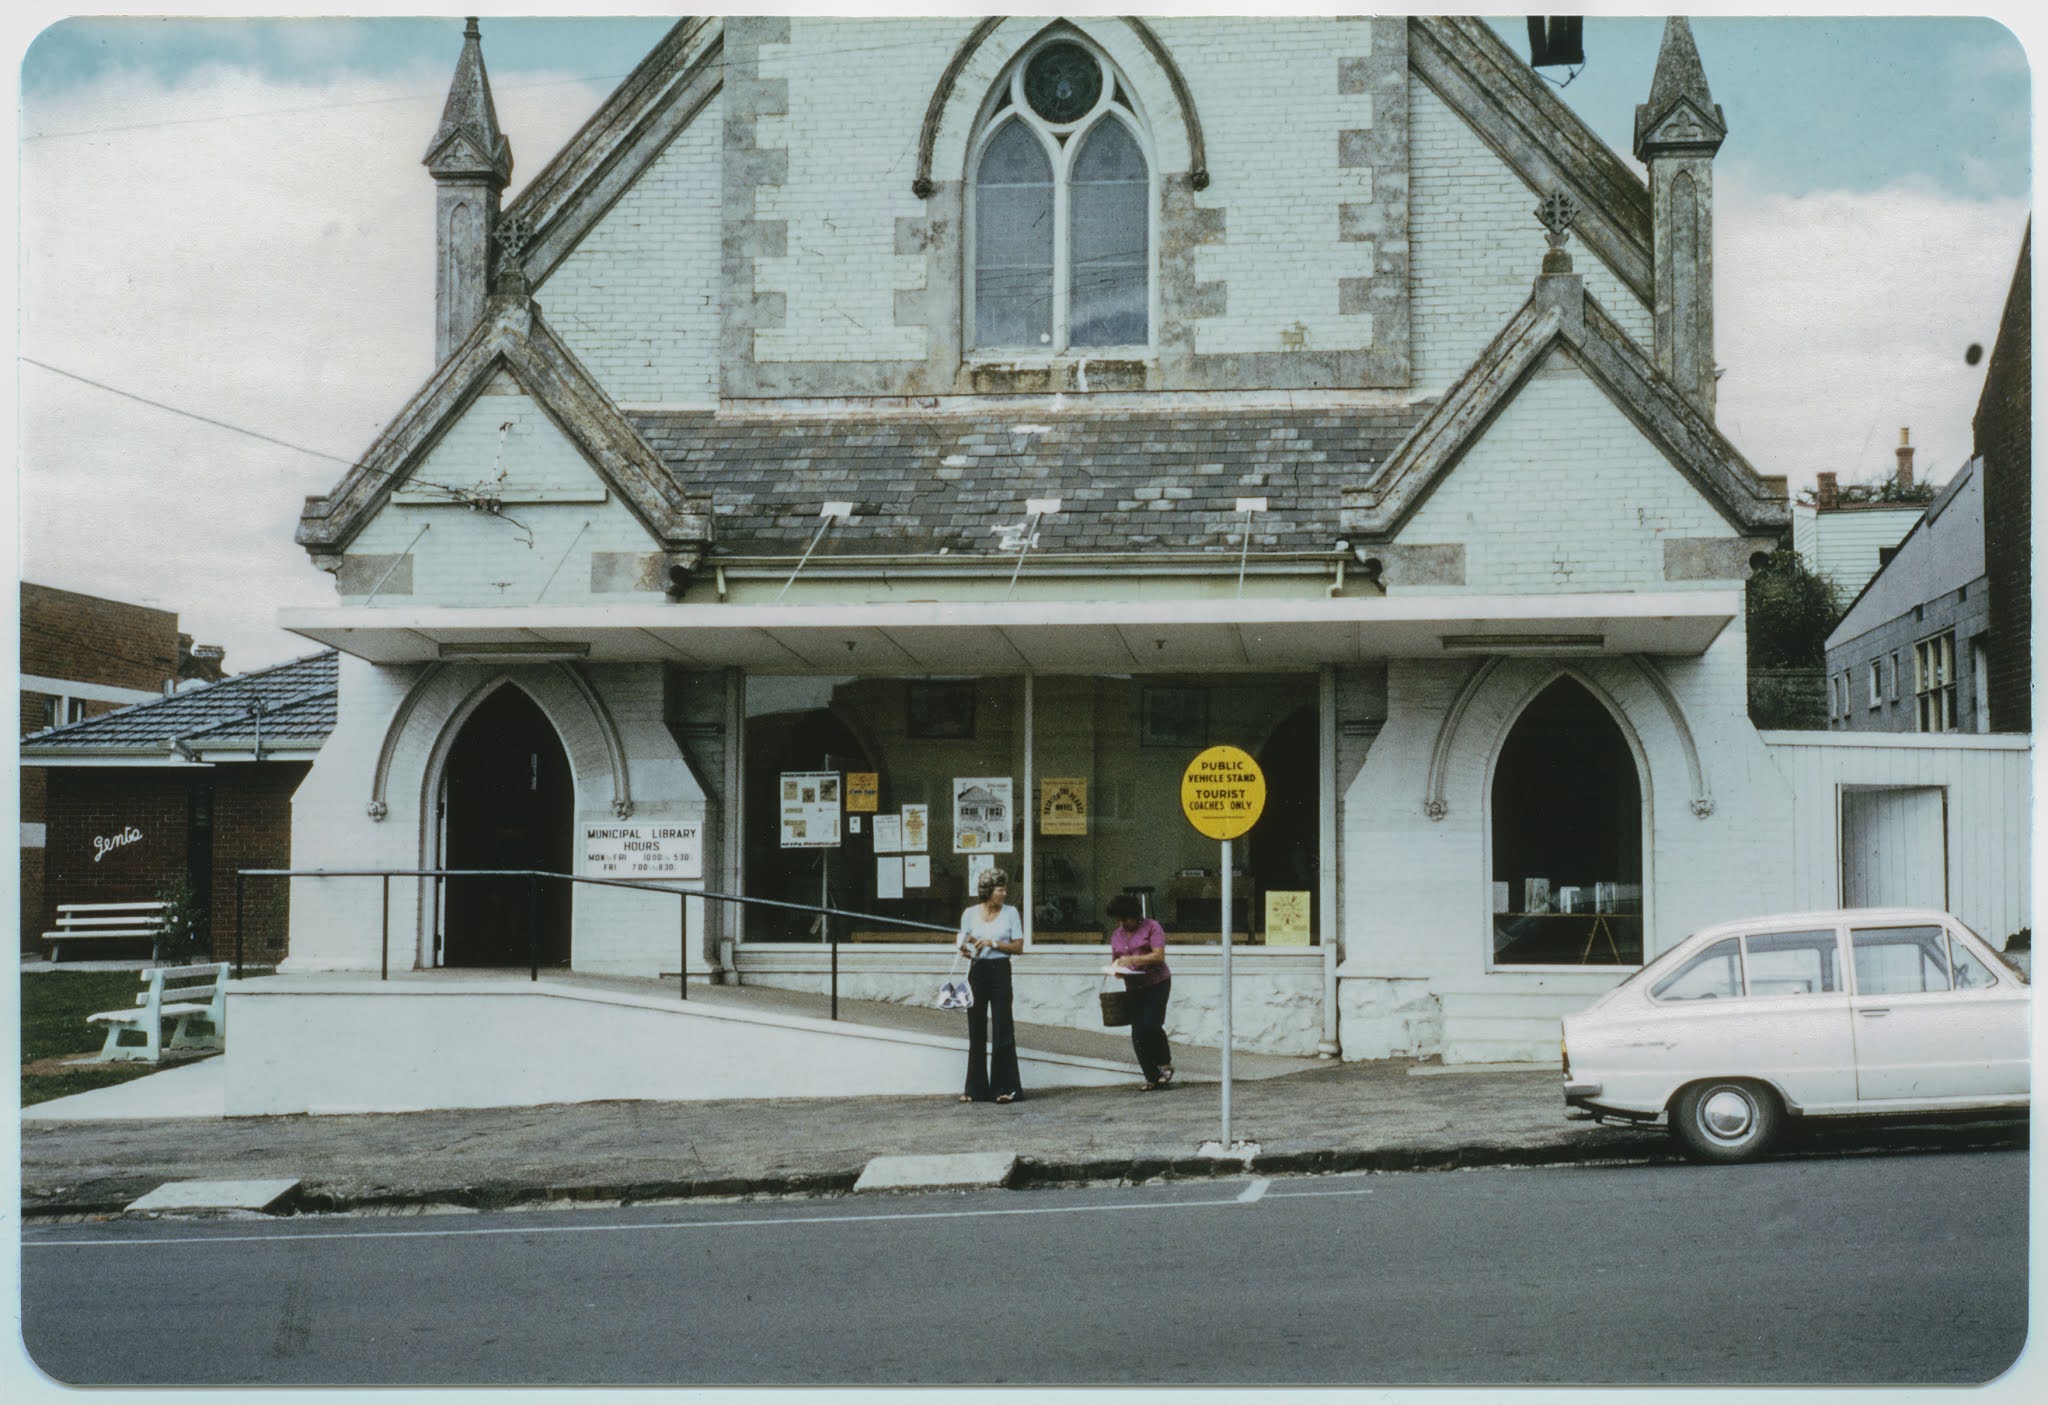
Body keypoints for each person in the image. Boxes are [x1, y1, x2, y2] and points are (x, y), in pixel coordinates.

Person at [957, 867, 1024, 1104]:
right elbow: (962, 939)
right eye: (1000, 889)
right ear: (988, 891)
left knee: (1002, 1027)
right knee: (976, 1029)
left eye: (1005, 888)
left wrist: (994, 943)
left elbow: (1018, 947)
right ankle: (975, 1088)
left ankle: (1005, 1088)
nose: (1005, 893)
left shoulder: (1011, 913)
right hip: (977, 971)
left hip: (1000, 971)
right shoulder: (970, 913)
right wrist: (966, 948)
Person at [1106, 893, 1174, 1089]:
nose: (1123, 923)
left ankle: (1164, 1063)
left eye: (1126, 918)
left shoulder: (1152, 927)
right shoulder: (1117, 935)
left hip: (1156, 982)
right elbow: (1116, 960)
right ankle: (1151, 1076)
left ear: (1136, 915)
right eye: (1119, 919)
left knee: (1151, 1024)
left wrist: (1133, 960)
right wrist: (1116, 970)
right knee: (1137, 1031)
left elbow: (1158, 956)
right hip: (1133, 985)